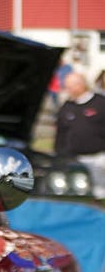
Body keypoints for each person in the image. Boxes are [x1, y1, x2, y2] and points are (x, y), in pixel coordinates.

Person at [55, 71, 105, 199]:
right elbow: (61, 132)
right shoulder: (67, 106)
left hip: (99, 158)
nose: (67, 90)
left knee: (100, 194)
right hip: (74, 159)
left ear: (80, 85)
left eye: (70, 87)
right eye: (66, 87)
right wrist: (59, 154)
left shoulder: (100, 103)